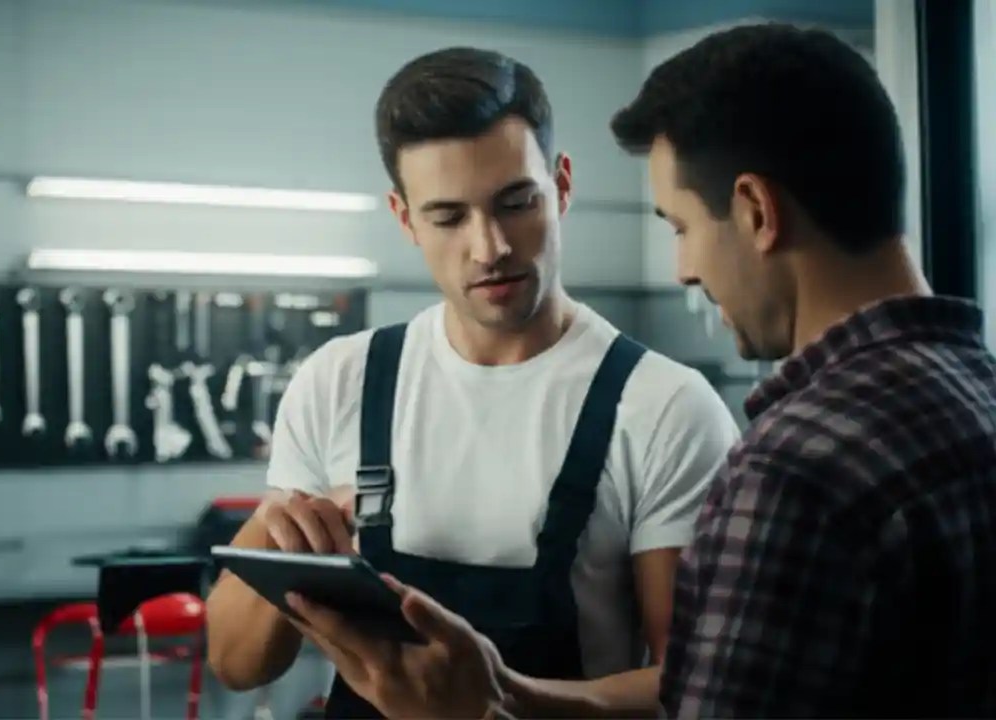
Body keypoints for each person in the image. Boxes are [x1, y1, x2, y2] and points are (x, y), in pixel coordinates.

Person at [286, 21, 996, 719]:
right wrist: (502, 693)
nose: (684, 269)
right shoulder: (974, 395)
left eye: (681, 226)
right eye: (448, 217)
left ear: (754, 210)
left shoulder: (796, 471)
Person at [204, 46, 740, 718]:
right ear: (404, 218)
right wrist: (278, 533)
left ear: (563, 186)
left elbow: (691, 688)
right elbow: (237, 663)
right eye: (448, 217)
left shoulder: (664, 408)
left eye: (516, 203)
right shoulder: (340, 382)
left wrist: (493, 706)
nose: (489, 247)